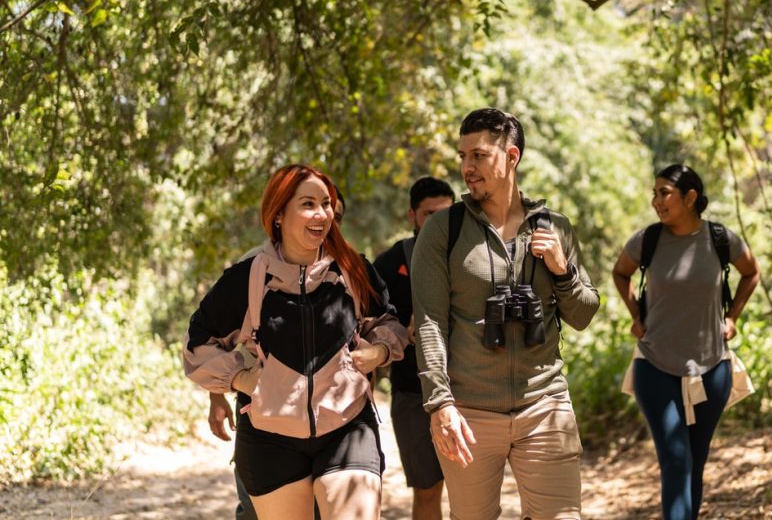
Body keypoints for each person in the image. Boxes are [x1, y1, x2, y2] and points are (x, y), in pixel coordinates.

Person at [184, 164, 407, 520]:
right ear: (278, 214)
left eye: (326, 203)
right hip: (270, 437)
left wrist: (379, 350)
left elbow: (388, 322)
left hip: (347, 426)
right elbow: (198, 343)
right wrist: (240, 379)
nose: (322, 213)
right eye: (308, 204)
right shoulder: (246, 278)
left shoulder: (353, 270)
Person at [411, 107, 600, 520]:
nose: (467, 168)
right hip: (470, 413)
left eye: (479, 155)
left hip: (545, 405)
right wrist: (440, 403)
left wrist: (561, 270)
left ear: (511, 156)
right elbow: (429, 323)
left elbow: (583, 314)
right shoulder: (443, 230)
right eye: (463, 156)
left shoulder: (554, 227)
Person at [611, 164, 761, 520]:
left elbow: (751, 273)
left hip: (712, 368)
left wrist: (732, 317)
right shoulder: (647, 240)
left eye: (664, 193)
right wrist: (636, 314)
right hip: (655, 366)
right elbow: (620, 273)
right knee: (676, 460)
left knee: (695, 461)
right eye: (654, 194)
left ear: (690, 197)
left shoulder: (721, 239)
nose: (656, 201)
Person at [205, 191, 349, 520]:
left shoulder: (347, 270)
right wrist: (216, 395)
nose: (326, 221)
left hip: (330, 415)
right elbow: (214, 337)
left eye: (335, 215)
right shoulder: (253, 266)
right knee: (256, 509)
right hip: (261, 408)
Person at [373, 177, 456, 520]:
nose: (439, 223)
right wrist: (399, 333)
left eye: (446, 214)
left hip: (472, 391)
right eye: (429, 215)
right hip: (412, 394)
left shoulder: (474, 255)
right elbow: (366, 325)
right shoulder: (389, 264)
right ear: (412, 215)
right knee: (427, 490)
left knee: (474, 495)